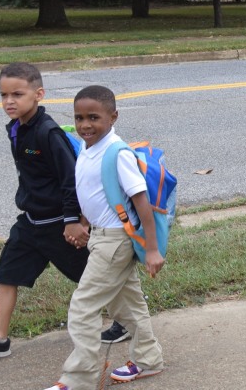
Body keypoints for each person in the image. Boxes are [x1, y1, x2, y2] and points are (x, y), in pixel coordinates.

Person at [0, 63, 125, 359]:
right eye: (4, 95)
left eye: (17, 94)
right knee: (7, 273)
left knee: (93, 276)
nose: (9, 101)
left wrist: (73, 220)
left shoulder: (48, 132)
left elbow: (72, 178)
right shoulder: (17, 128)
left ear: (38, 94)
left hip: (58, 224)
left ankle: (126, 320)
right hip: (31, 221)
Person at [43, 85, 165, 390]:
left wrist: (152, 249)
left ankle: (77, 380)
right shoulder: (88, 148)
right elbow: (93, 193)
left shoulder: (117, 152)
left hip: (115, 241)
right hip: (102, 235)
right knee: (128, 305)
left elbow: (142, 202)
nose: (85, 125)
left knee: (83, 307)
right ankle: (149, 361)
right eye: (79, 117)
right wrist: (84, 222)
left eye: (94, 117)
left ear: (113, 117)